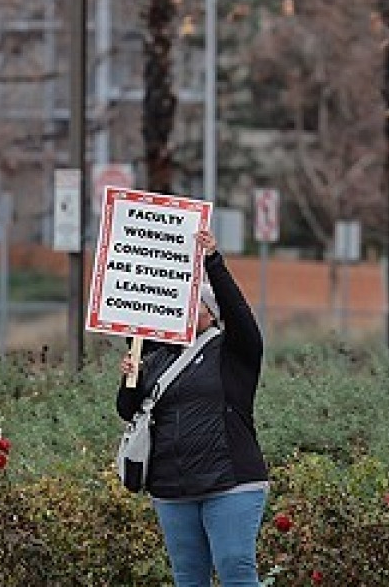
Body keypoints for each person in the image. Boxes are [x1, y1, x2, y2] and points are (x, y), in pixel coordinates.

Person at [116, 229, 267, 587]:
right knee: (188, 578)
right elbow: (127, 410)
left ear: (211, 313)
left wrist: (213, 262)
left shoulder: (233, 352)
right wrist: (130, 378)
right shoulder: (156, 356)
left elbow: (240, 314)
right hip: (172, 488)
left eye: (192, 302)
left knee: (235, 568)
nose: (181, 308)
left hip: (232, 484)